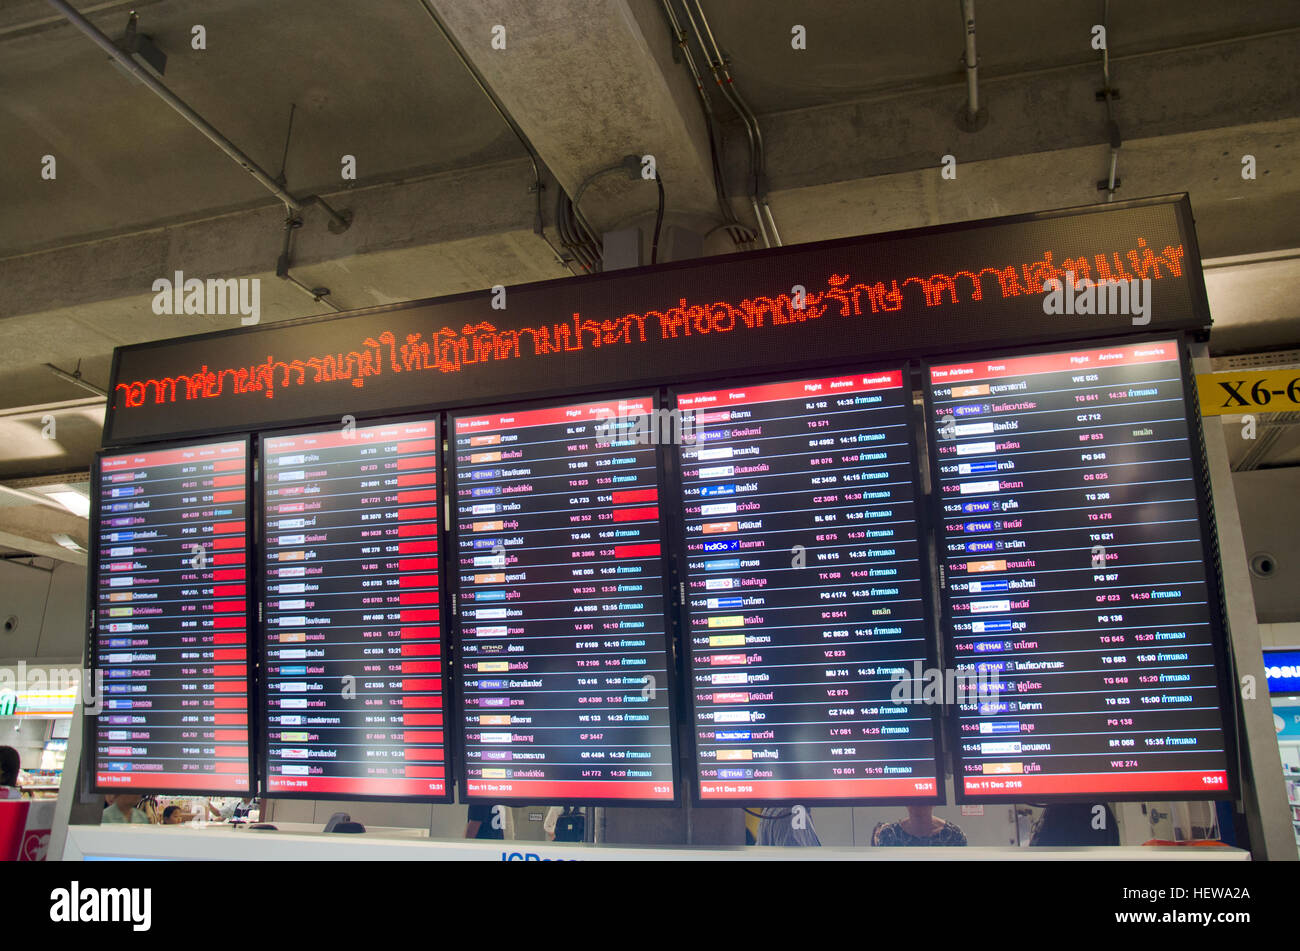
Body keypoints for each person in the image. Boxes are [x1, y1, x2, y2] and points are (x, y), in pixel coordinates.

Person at [872, 805, 967, 846]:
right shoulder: (889, 834)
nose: (918, 804)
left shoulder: (953, 835)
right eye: (913, 798)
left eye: (924, 798)